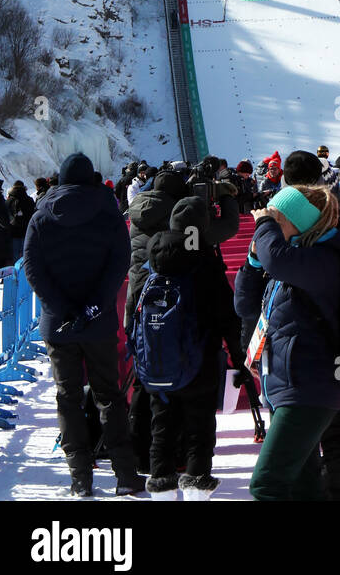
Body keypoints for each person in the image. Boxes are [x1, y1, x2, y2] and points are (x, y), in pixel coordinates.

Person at [235, 184, 340, 501]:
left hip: (308, 388)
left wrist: (264, 227)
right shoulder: (294, 259)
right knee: (304, 487)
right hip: (287, 384)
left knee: (267, 485)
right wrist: (253, 263)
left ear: (300, 223)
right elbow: (245, 305)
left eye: (277, 218)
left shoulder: (322, 260)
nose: (270, 224)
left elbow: (277, 259)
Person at [23, 153, 143, 498]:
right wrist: (93, 306)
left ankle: (80, 477)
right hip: (98, 322)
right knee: (110, 396)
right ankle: (124, 473)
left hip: (58, 325)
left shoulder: (42, 215)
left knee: (68, 398)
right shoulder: (107, 212)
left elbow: (33, 268)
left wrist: (61, 309)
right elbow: (120, 262)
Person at [143, 196, 248, 501]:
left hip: (158, 361)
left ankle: (161, 489)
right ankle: (196, 490)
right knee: (199, 428)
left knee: (161, 427)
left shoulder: (155, 259)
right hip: (200, 360)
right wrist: (238, 357)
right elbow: (225, 314)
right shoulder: (205, 262)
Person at [124, 168, 192, 471]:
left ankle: (137, 446)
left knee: (143, 374)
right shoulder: (174, 215)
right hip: (165, 297)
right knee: (171, 374)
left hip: (137, 295)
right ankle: (171, 449)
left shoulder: (138, 209)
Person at [6, 180, 36, 261]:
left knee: (15, 253)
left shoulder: (9, 201)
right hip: (26, 230)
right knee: (25, 253)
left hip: (13, 230)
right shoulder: (29, 199)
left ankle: (16, 270)